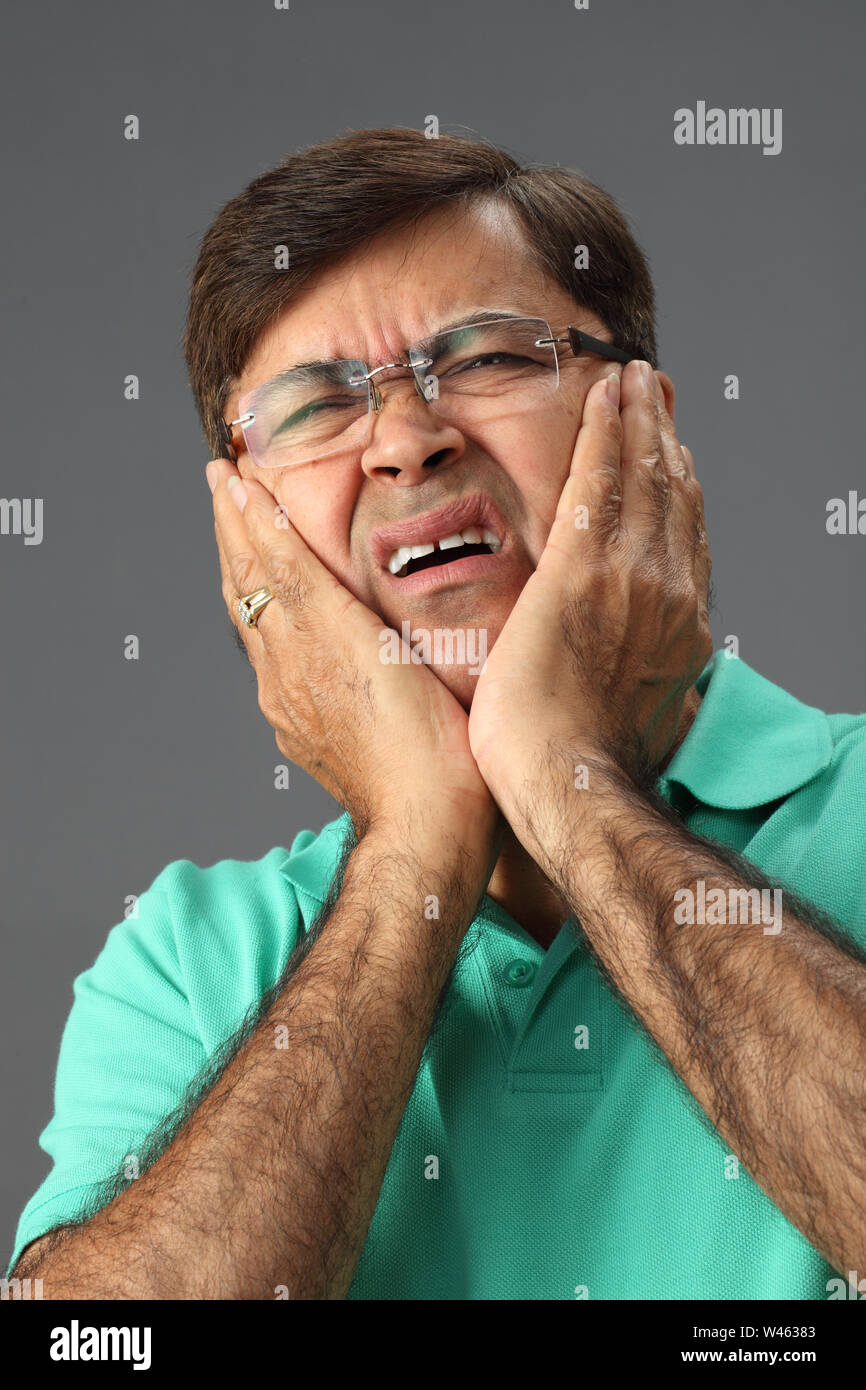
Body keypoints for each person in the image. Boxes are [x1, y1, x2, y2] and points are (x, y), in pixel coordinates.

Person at [8, 128, 866, 1301]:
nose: (407, 443)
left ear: (648, 427)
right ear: (245, 523)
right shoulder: (183, 956)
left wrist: (567, 782)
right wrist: (415, 839)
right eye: (313, 408)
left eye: (484, 358)